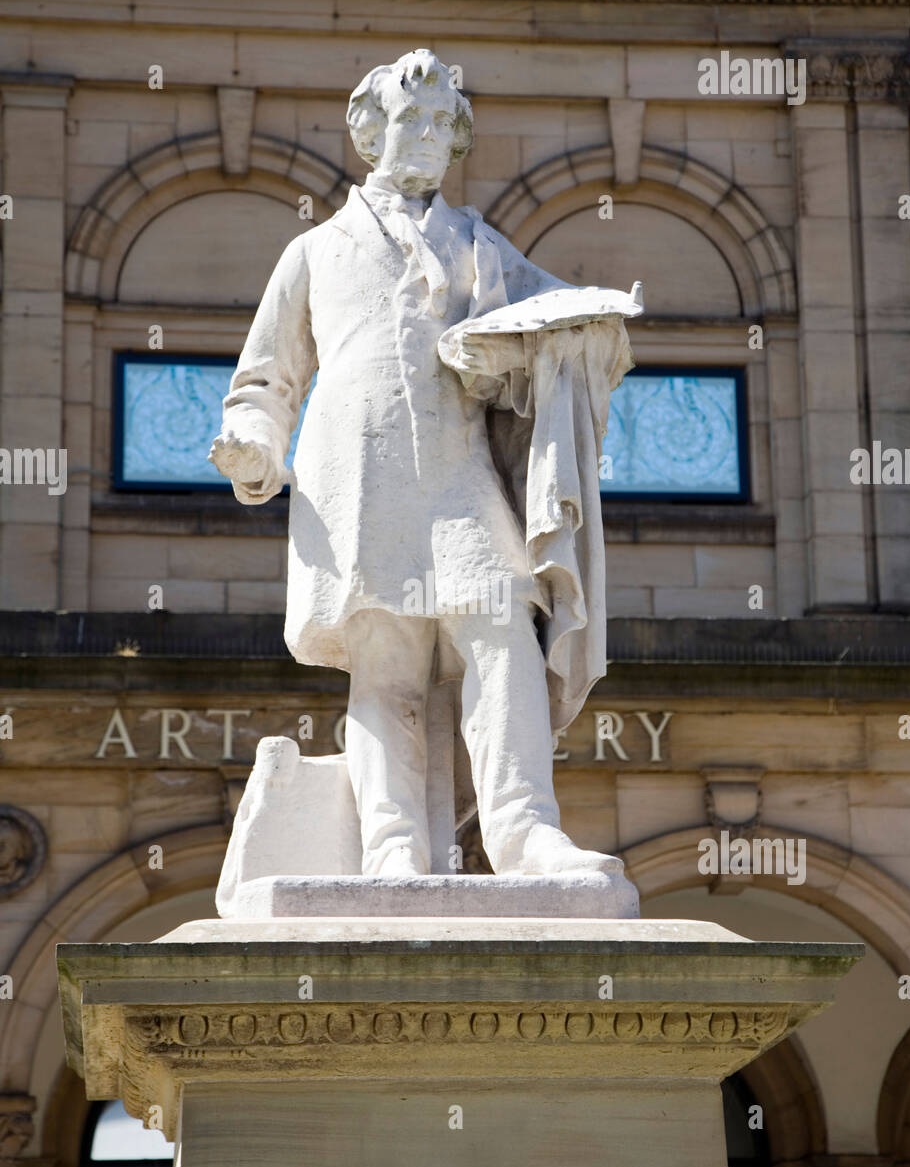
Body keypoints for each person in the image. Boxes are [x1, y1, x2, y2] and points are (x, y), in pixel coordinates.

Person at [210, 49, 639, 913]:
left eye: (445, 125)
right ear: (371, 133)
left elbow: (572, 326)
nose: (430, 138)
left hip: (458, 471)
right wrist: (252, 443)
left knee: (501, 626)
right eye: (413, 120)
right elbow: (266, 379)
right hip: (355, 476)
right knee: (389, 664)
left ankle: (524, 831)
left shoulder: (481, 244)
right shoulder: (314, 251)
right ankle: (394, 846)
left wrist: (584, 336)